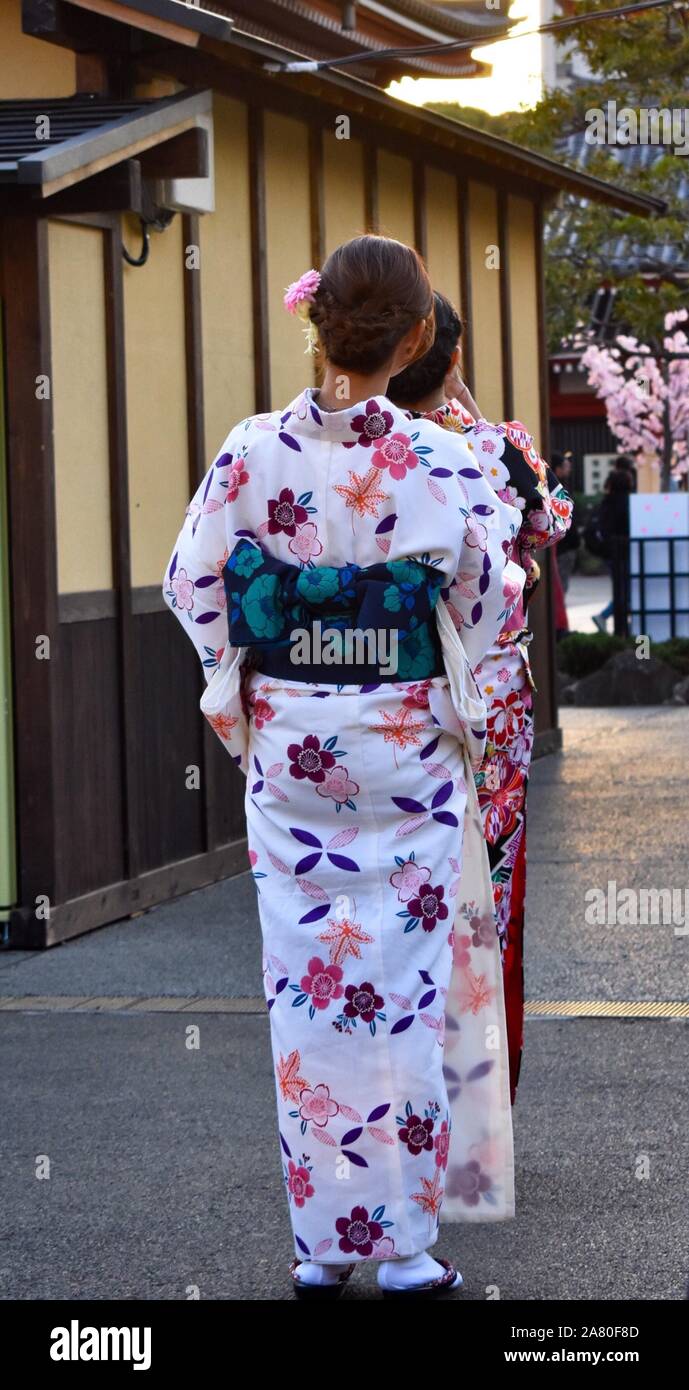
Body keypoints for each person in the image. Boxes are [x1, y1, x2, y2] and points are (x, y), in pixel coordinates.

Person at [163, 237, 524, 1299]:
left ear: (316, 325)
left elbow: (192, 585)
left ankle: (323, 1244)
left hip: (294, 766)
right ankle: (405, 1248)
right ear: (417, 338)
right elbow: (490, 601)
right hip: (406, 753)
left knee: (307, 997)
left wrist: (255, 694)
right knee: (406, 995)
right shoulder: (438, 459)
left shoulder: (249, 451)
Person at [388, 292, 573, 1102]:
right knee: (485, 886)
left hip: (383, 703)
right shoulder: (491, 450)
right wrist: (472, 412)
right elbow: (546, 525)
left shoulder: (348, 452)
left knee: (390, 893)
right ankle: (479, 1095)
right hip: (487, 705)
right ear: (449, 357)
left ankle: (391, 1095)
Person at [592, 469, 632, 633]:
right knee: (627, 591)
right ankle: (606, 617)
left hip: (610, 553)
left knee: (622, 589)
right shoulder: (627, 502)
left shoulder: (607, 501)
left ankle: (612, 620)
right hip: (625, 553)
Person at [550, 451, 580, 593]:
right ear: (557, 469)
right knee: (561, 584)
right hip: (563, 544)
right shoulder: (557, 490)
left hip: (563, 544)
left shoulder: (556, 486)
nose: (569, 469)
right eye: (565, 466)